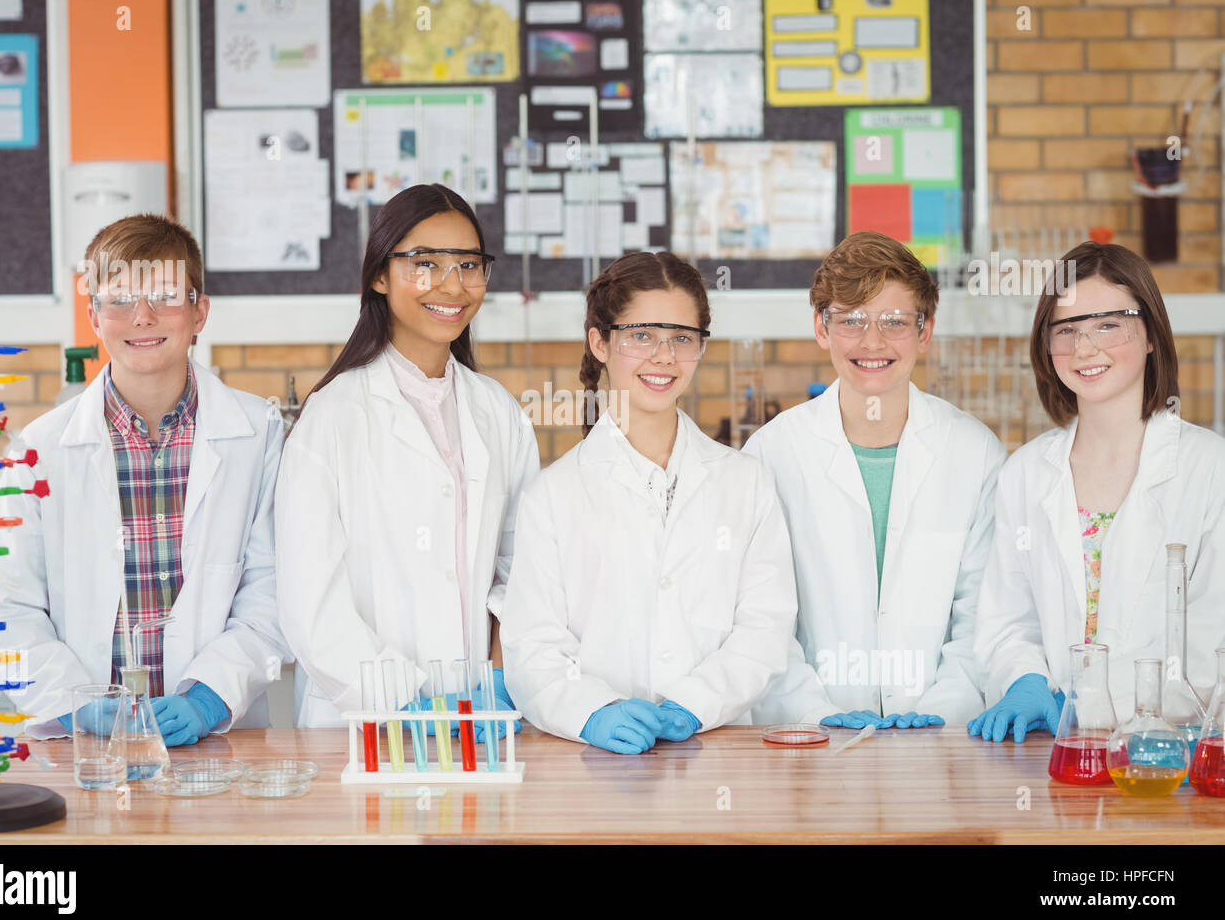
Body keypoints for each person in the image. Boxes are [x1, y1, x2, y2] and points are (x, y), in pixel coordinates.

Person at [0, 214, 291, 745]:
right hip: (83, 750)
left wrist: (210, 696)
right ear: (94, 316)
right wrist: (74, 706)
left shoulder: (259, 435)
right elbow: (7, 608)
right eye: (121, 299)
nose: (143, 317)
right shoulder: (37, 451)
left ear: (200, 312)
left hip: (219, 742)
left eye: (167, 296)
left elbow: (273, 586)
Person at [501, 251, 804, 754]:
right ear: (600, 341)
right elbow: (533, 650)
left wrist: (696, 702)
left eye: (682, 338)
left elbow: (766, 629)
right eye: (642, 335)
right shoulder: (551, 496)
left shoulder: (746, 482)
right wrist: (592, 711)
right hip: (593, 765)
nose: (664, 357)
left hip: (718, 753)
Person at [275, 184, 539, 732]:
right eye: (425, 264)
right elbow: (310, 604)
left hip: (478, 719)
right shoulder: (332, 416)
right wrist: (403, 706)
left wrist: (497, 676)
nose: (452, 285)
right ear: (378, 274)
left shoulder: (499, 413)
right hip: (360, 724)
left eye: (469, 265)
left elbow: (524, 568)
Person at [745, 231, 1005, 729]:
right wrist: (814, 714)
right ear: (822, 330)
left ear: (925, 332)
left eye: (894, 322)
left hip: (941, 741)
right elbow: (764, 621)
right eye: (851, 320)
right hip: (810, 743)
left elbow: (982, 614)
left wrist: (940, 712)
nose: (872, 342)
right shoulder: (771, 455)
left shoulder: (975, 453)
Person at [970, 241, 1225, 742]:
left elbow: (1211, 640)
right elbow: (1008, 622)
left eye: (1108, 325)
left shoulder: (1210, 468)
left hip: (1170, 755)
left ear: (1151, 333)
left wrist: (1097, 705)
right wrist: (1025, 681)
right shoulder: (1024, 474)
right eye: (1066, 330)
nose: (1085, 349)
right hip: (1055, 755)